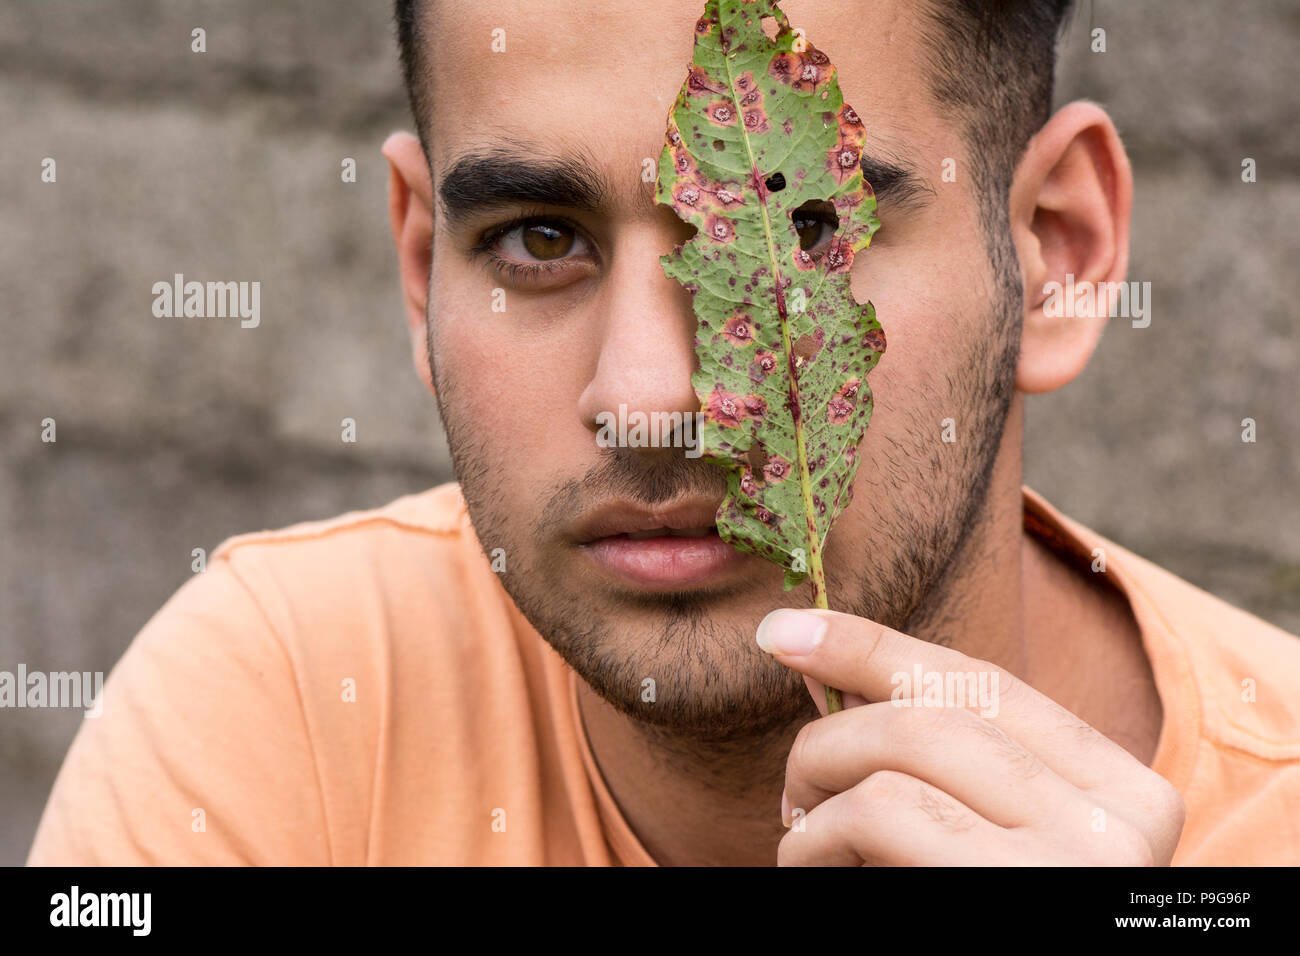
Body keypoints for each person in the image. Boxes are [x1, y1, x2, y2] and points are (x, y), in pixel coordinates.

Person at [28, 0, 1300, 866]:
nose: (647, 395)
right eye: (538, 238)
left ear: (1057, 256)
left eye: (798, 232)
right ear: (422, 266)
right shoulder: (287, 704)